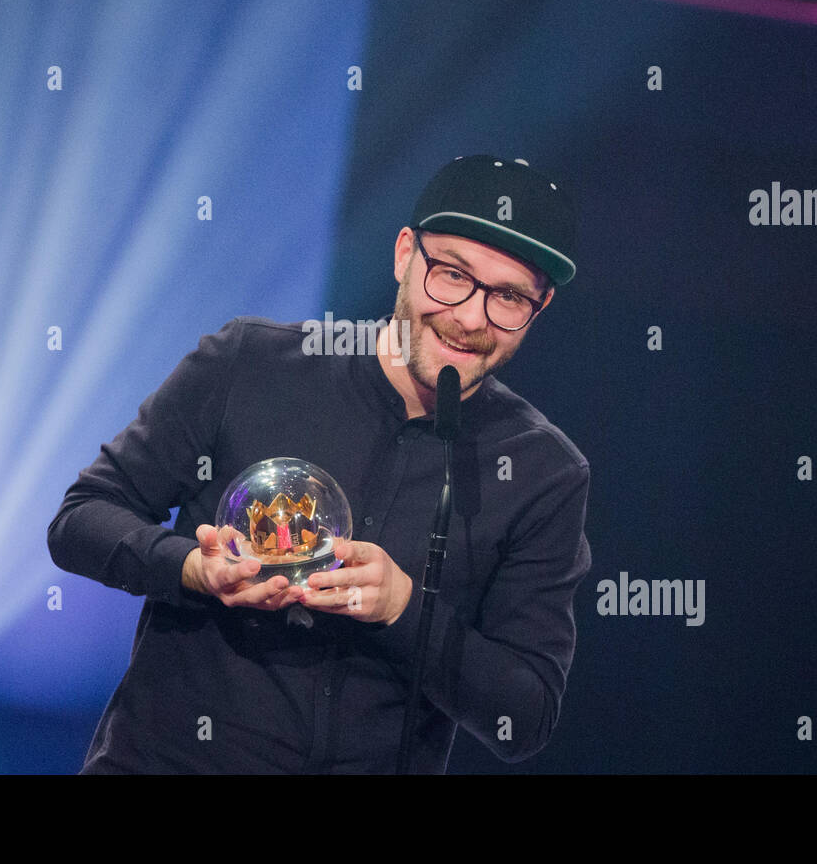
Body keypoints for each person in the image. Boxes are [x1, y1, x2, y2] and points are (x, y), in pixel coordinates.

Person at [47, 154, 592, 773]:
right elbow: (80, 521)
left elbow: (524, 718)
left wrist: (403, 609)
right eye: (452, 275)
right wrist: (193, 569)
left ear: (539, 308)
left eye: (510, 297)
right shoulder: (250, 364)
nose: (470, 317)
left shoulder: (545, 473)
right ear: (404, 255)